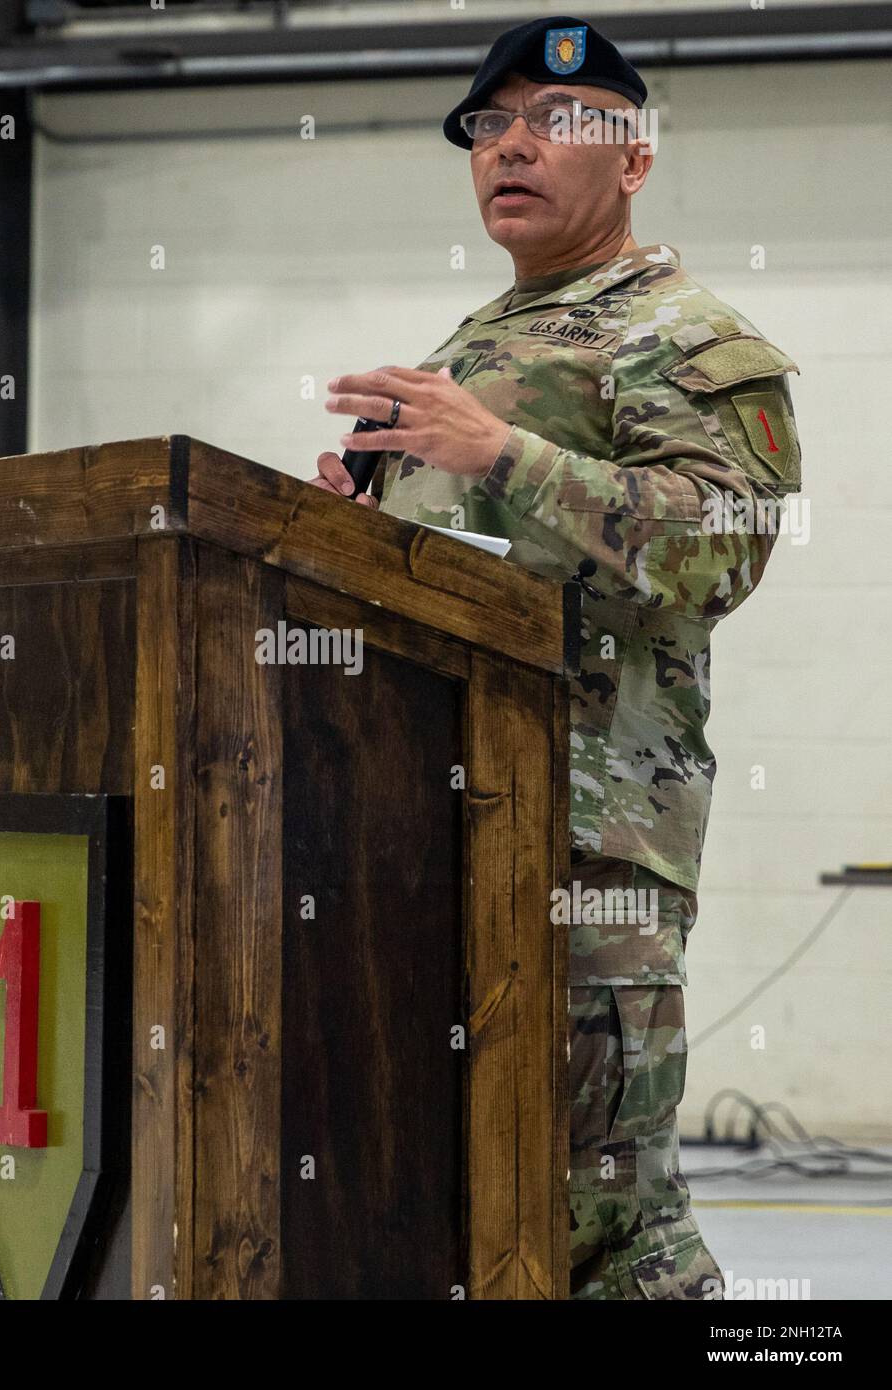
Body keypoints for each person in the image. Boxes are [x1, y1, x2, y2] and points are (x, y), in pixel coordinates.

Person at [311, 14, 801, 1300]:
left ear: (632, 160)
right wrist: (352, 540)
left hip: (586, 842)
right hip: (432, 828)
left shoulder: (679, 335)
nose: (511, 147)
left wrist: (498, 456)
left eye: (557, 121)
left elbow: (726, 549)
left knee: (605, 1208)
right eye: (490, 126)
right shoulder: (469, 349)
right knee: (474, 1187)